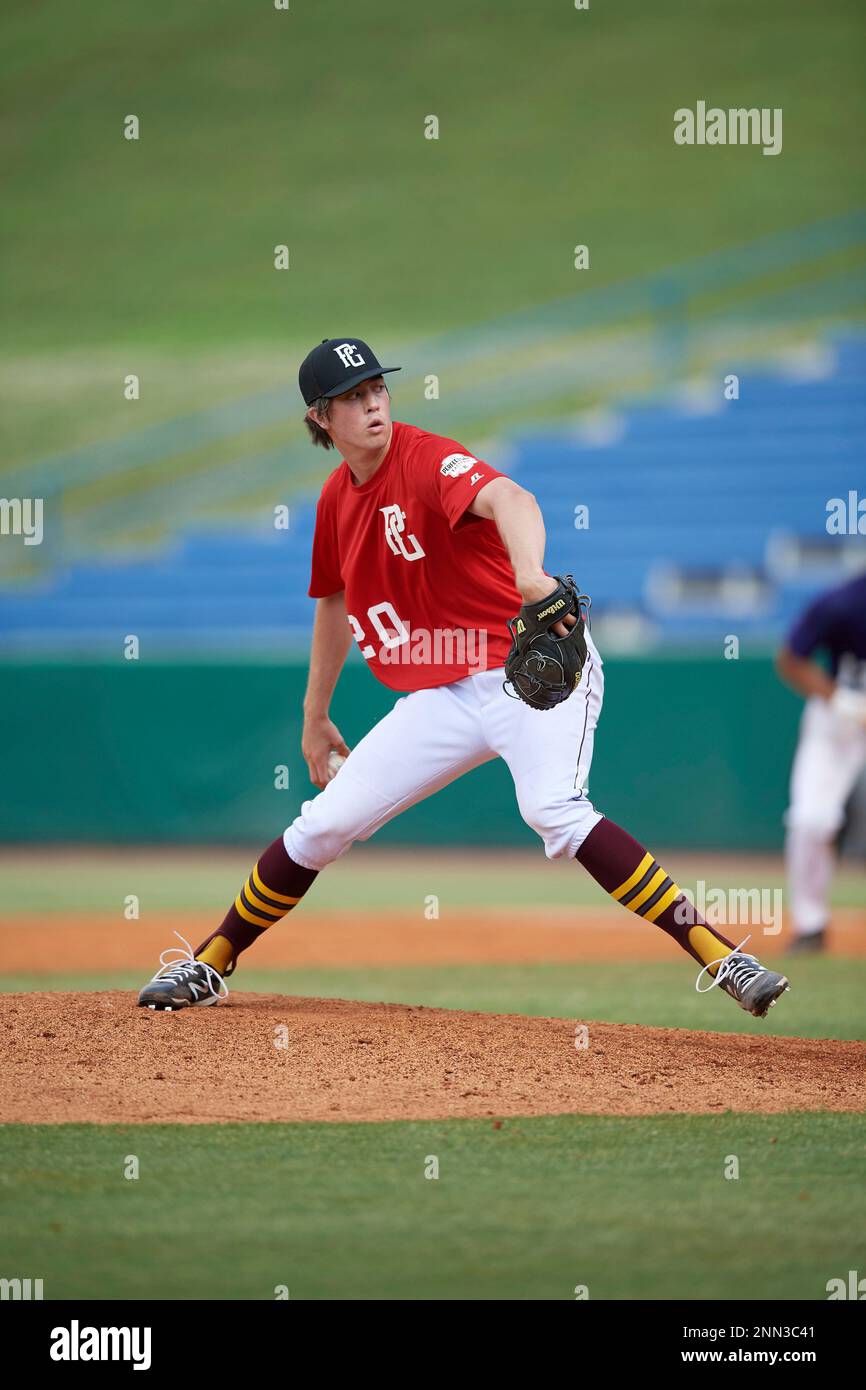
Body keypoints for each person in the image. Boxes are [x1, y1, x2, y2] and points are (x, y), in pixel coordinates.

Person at [138, 336, 790, 1018]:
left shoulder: (424, 459)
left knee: (553, 810)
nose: (371, 405)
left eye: (376, 390)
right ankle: (210, 962)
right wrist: (315, 711)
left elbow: (511, 497)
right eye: (351, 398)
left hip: (529, 668)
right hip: (442, 692)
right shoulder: (335, 501)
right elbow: (331, 602)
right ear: (319, 419)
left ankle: (723, 956)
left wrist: (530, 574)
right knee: (321, 827)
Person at [777, 572, 866, 953]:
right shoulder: (842, 603)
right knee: (811, 820)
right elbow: (790, 659)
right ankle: (811, 924)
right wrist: (842, 700)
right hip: (843, 716)